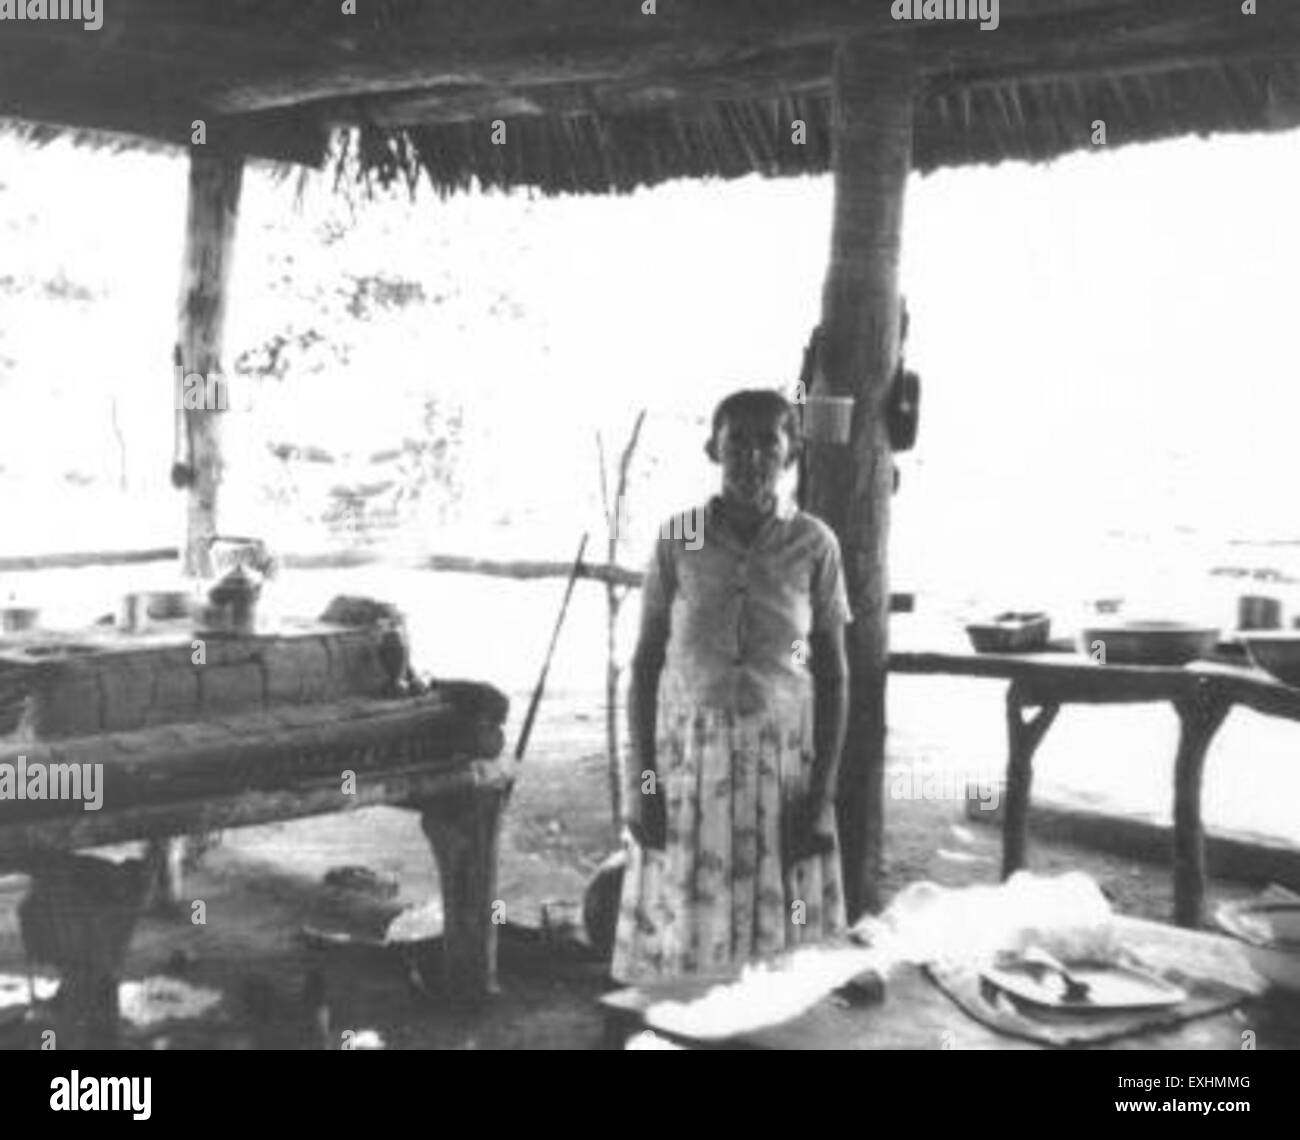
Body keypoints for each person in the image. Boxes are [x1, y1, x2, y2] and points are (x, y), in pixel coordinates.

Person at [612, 388, 851, 983]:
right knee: (689, 942)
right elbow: (644, 667)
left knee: (781, 958)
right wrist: (643, 783)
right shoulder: (682, 539)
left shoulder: (813, 545)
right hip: (692, 769)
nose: (750, 456)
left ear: (791, 452)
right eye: (735, 441)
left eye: (767, 441)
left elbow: (835, 674)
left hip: (782, 773)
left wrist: (820, 800)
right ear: (712, 448)